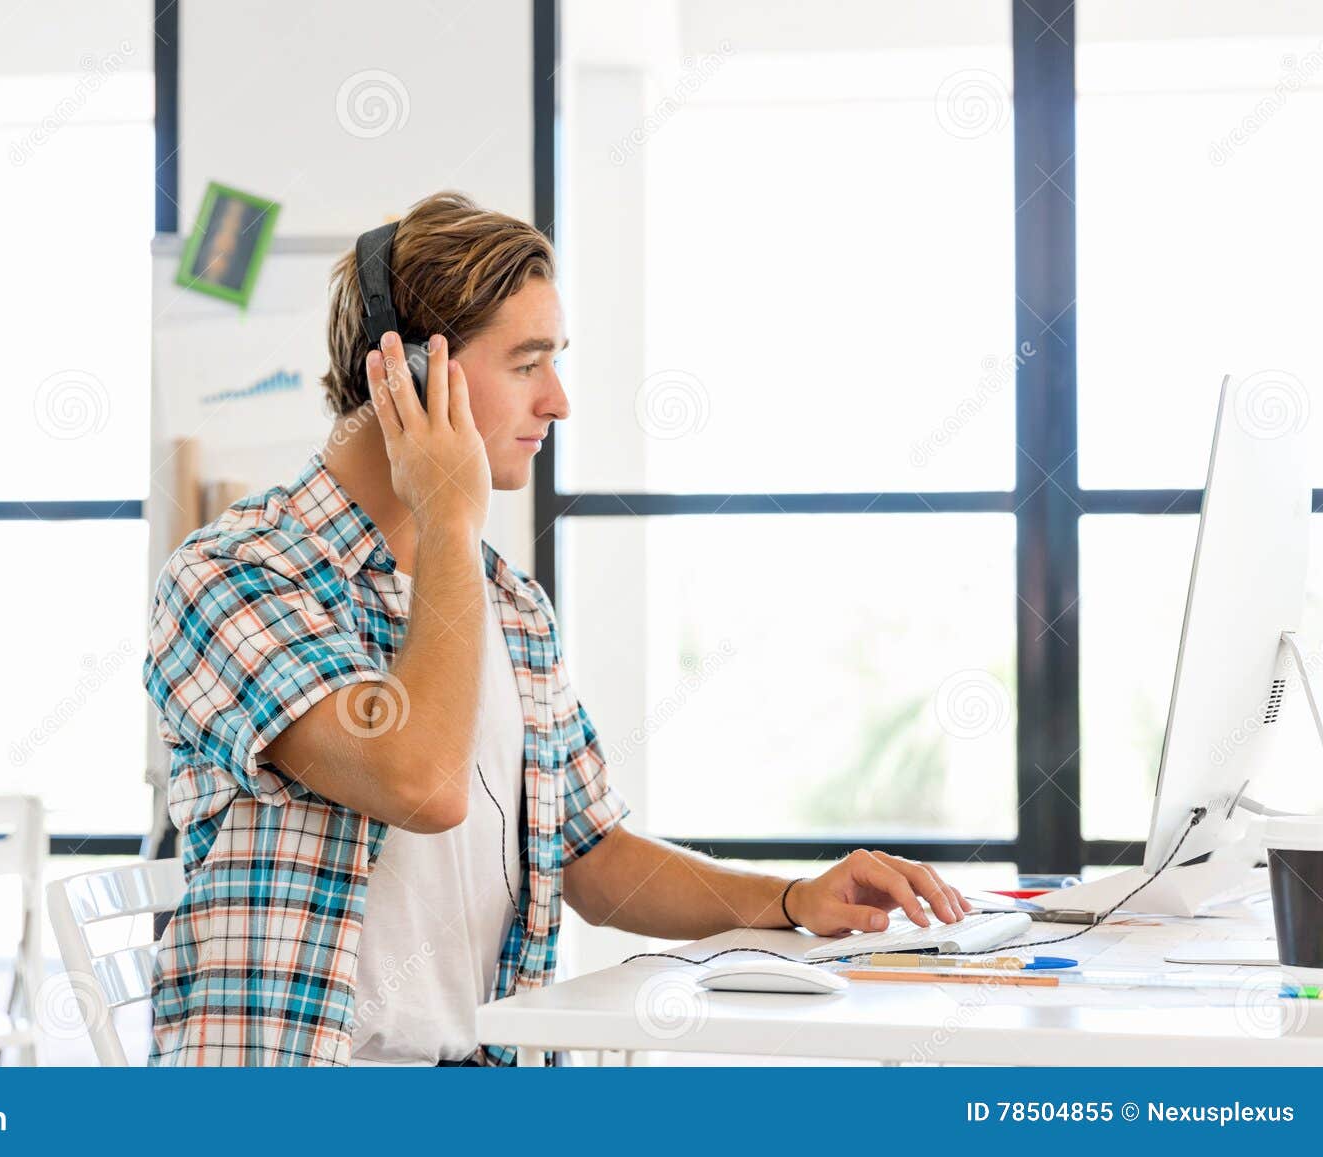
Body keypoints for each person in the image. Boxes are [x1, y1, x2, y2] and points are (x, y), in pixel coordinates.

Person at [142, 191, 972, 1067]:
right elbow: (422, 782)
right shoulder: (236, 575)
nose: (560, 400)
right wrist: (451, 519)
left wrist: (798, 896)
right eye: (528, 362)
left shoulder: (509, 603)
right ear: (416, 378)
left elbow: (593, 855)